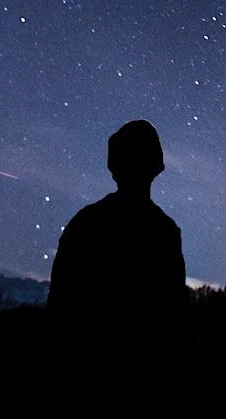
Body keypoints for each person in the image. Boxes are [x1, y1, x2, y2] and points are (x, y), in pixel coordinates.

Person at [48, 120, 187, 362]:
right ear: (156, 165)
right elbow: (174, 316)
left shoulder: (86, 222)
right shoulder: (165, 231)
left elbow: (60, 309)